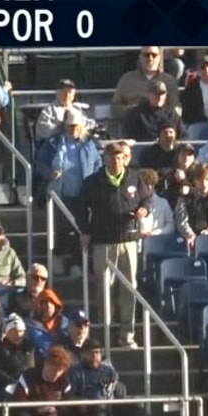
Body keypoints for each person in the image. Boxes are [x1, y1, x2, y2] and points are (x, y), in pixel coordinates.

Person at [77, 142, 147, 348]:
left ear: (124, 159)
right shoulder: (92, 182)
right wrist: (86, 231)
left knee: (129, 287)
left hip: (129, 241)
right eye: (111, 157)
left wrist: (144, 210)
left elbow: (148, 199)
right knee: (104, 286)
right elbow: (81, 208)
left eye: (119, 157)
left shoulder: (135, 177)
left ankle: (127, 333)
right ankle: (106, 331)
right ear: (105, 158)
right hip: (103, 242)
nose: (116, 161)